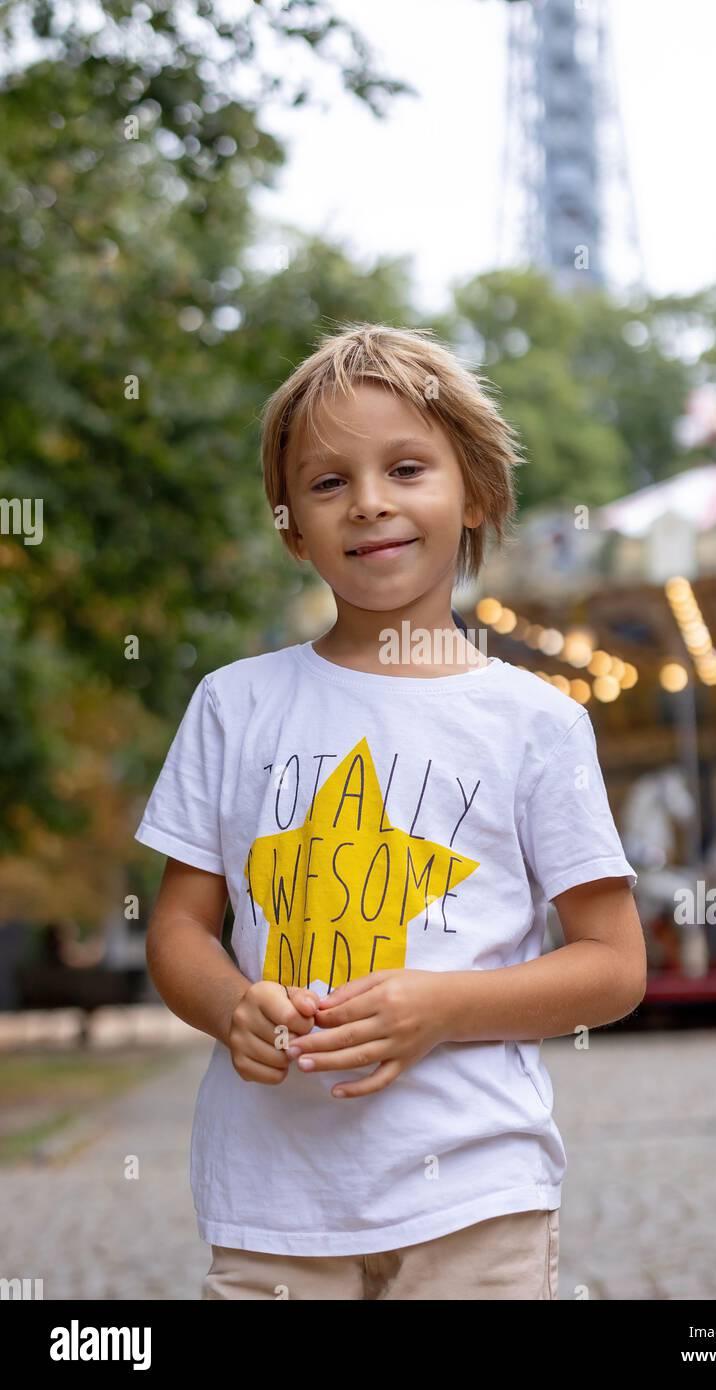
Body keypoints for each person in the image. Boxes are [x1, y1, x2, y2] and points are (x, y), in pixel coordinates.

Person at [134, 323, 645, 1301]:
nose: (368, 501)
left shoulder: (534, 722)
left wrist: (438, 1007)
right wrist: (231, 1004)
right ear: (290, 523)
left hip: (477, 1195)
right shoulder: (232, 705)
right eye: (328, 483)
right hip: (275, 1202)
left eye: (406, 467)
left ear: (474, 494)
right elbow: (177, 928)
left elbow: (612, 965)